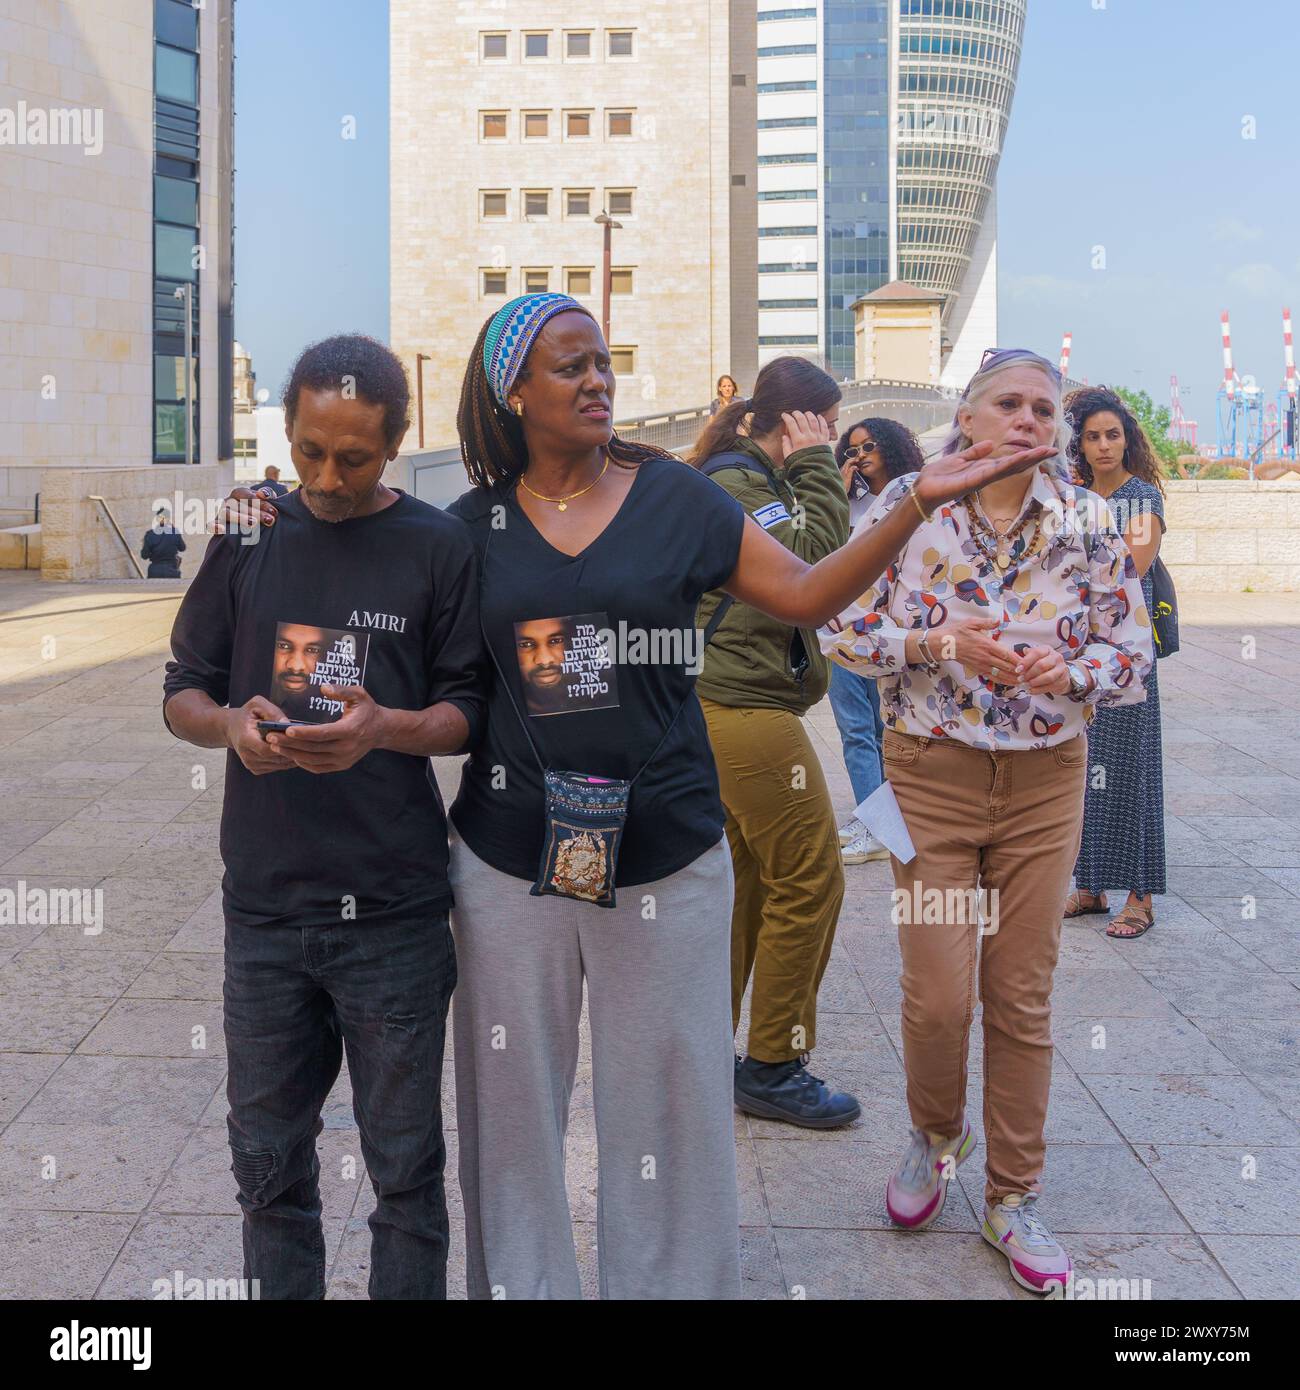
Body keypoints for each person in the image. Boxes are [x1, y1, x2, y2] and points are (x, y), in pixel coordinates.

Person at [231, 296, 1053, 1300]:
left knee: (668, 1107)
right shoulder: (469, 528)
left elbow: (805, 593)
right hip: (507, 861)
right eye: (568, 366)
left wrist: (917, 499)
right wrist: (275, 515)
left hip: (666, 853)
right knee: (514, 1111)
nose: (595, 379)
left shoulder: (678, 497)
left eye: (601, 361)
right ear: (513, 392)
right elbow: (366, 562)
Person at [820, 347, 1154, 1294]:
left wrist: (1073, 671)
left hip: (1048, 783)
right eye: (1006, 403)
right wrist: (934, 639)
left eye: (1043, 411)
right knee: (936, 995)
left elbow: (1130, 655)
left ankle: (1013, 1195)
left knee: (1022, 992)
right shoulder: (904, 510)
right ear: (965, 417)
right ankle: (935, 1137)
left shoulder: (1091, 521)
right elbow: (833, 625)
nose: (1026, 422)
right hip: (929, 777)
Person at [165, 334, 487, 1300]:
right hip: (264, 912)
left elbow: (466, 712)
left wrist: (383, 728)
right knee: (267, 1169)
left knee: (406, 1175)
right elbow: (183, 689)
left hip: (392, 910)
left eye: (353, 457)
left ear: (395, 442)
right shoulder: (252, 531)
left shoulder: (438, 545)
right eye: (309, 451)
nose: (326, 477)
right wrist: (231, 723)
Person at [688, 359, 860, 1128]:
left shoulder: (750, 482)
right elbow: (815, 568)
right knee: (811, 876)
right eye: (825, 422)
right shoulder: (737, 487)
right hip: (737, 706)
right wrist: (820, 465)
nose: (833, 437)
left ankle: (700, 1050)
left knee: (752, 883)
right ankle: (774, 1064)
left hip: (734, 701)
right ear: (795, 422)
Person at [1062, 387, 1167, 938]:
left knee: (1130, 771)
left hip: (1125, 655)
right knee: (1082, 769)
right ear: (1078, 443)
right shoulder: (1073, 498)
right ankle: (1090, 886)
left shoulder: (1143, 499)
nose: (1104, 446)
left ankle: (1140, 898)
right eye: (1092, 436)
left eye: (1113, 435)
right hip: (1078, 655)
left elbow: (1129, 570)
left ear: (1127, 440)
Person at [829, 418, 926, 865]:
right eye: (851, 450)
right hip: (844, 630)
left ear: (892, 447)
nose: (861, 456)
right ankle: (873, 820)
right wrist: (836, 495)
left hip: (893, 634)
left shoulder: (915, 498)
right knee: (855, 729)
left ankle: (889, 821)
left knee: (888, 727)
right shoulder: (840, 504)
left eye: (870, 446)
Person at [141, 507, 186, 578]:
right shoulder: (174, 532)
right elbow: (182, 548)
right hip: (172, 571)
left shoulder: (149, 534)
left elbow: (144, 556)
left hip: (154, 572)